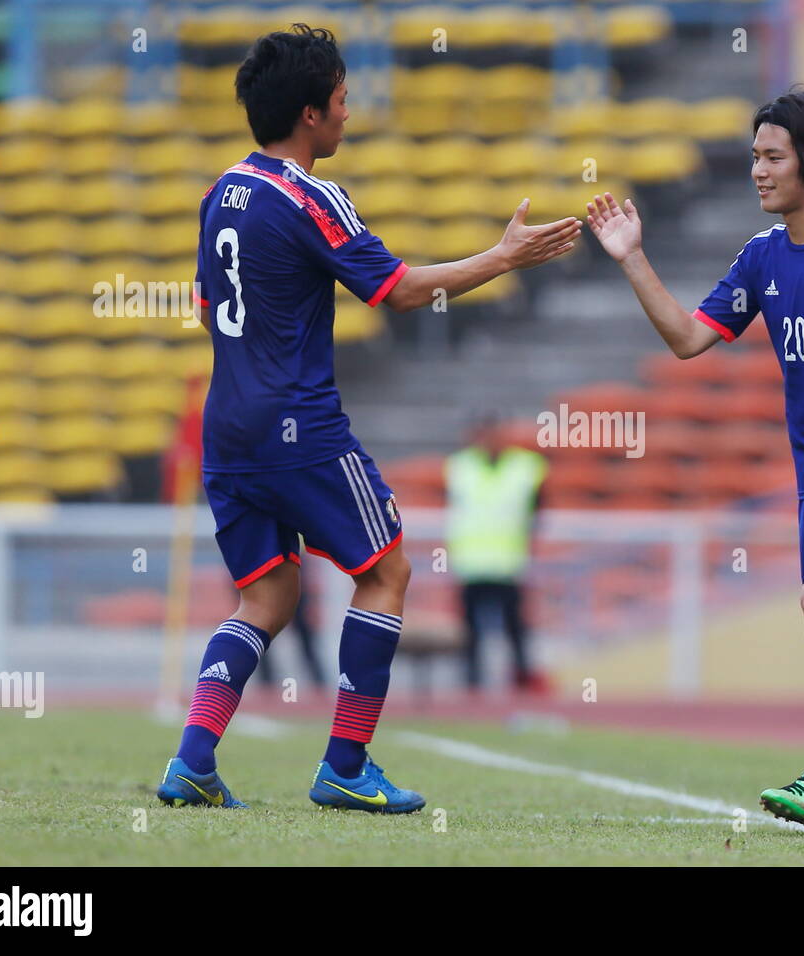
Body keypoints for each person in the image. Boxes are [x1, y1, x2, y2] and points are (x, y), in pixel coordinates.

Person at [155, 23, 580, 813]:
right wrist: (503, 257)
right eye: (344, 101)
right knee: (385, 571)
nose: (351, 114)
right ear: (311, 114)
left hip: (228, 423)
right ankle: (346, 765)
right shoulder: (311, 196)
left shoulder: (220, 193)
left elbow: (209, 308)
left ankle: (192, 760)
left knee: (266, 599)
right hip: (297, 423)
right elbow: (398, 291)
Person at [586, 89, 804, 840]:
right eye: (755, 155)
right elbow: (688, 339)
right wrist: (632, 258)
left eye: (771, 156)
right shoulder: (760, 254)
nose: (757, 169)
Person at [444, 415, 548, 691]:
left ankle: (522, 681)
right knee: (470, 631)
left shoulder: (526, 466)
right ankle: (471, 684)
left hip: (508, 563)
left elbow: (538, 511)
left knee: (515, 629)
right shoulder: (459, 466)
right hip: (470, 563)